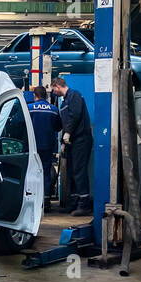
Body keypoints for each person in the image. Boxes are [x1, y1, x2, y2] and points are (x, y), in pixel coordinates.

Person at [49, 75, 92, 216]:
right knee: (72, 172)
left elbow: (75, 115)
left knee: (79, 171)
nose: (53, 92)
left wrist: (68, 133)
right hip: (72, 141)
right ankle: (74, 203)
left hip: (81, 140)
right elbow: (66, 121)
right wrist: (63, 141)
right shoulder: (65, 101)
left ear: (58, 86)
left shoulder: (74, 95)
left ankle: (84, 205)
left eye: (53, 89)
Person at [27, 86, 62, 207]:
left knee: (31, 173)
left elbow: (20, 124)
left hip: (33, 147)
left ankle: (33, 201)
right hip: (48, 146)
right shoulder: (54, 109)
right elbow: (58, 127)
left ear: (34, 96)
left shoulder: (29, 108)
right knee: (45, 172)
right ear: (46, 96)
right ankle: (45, 201)